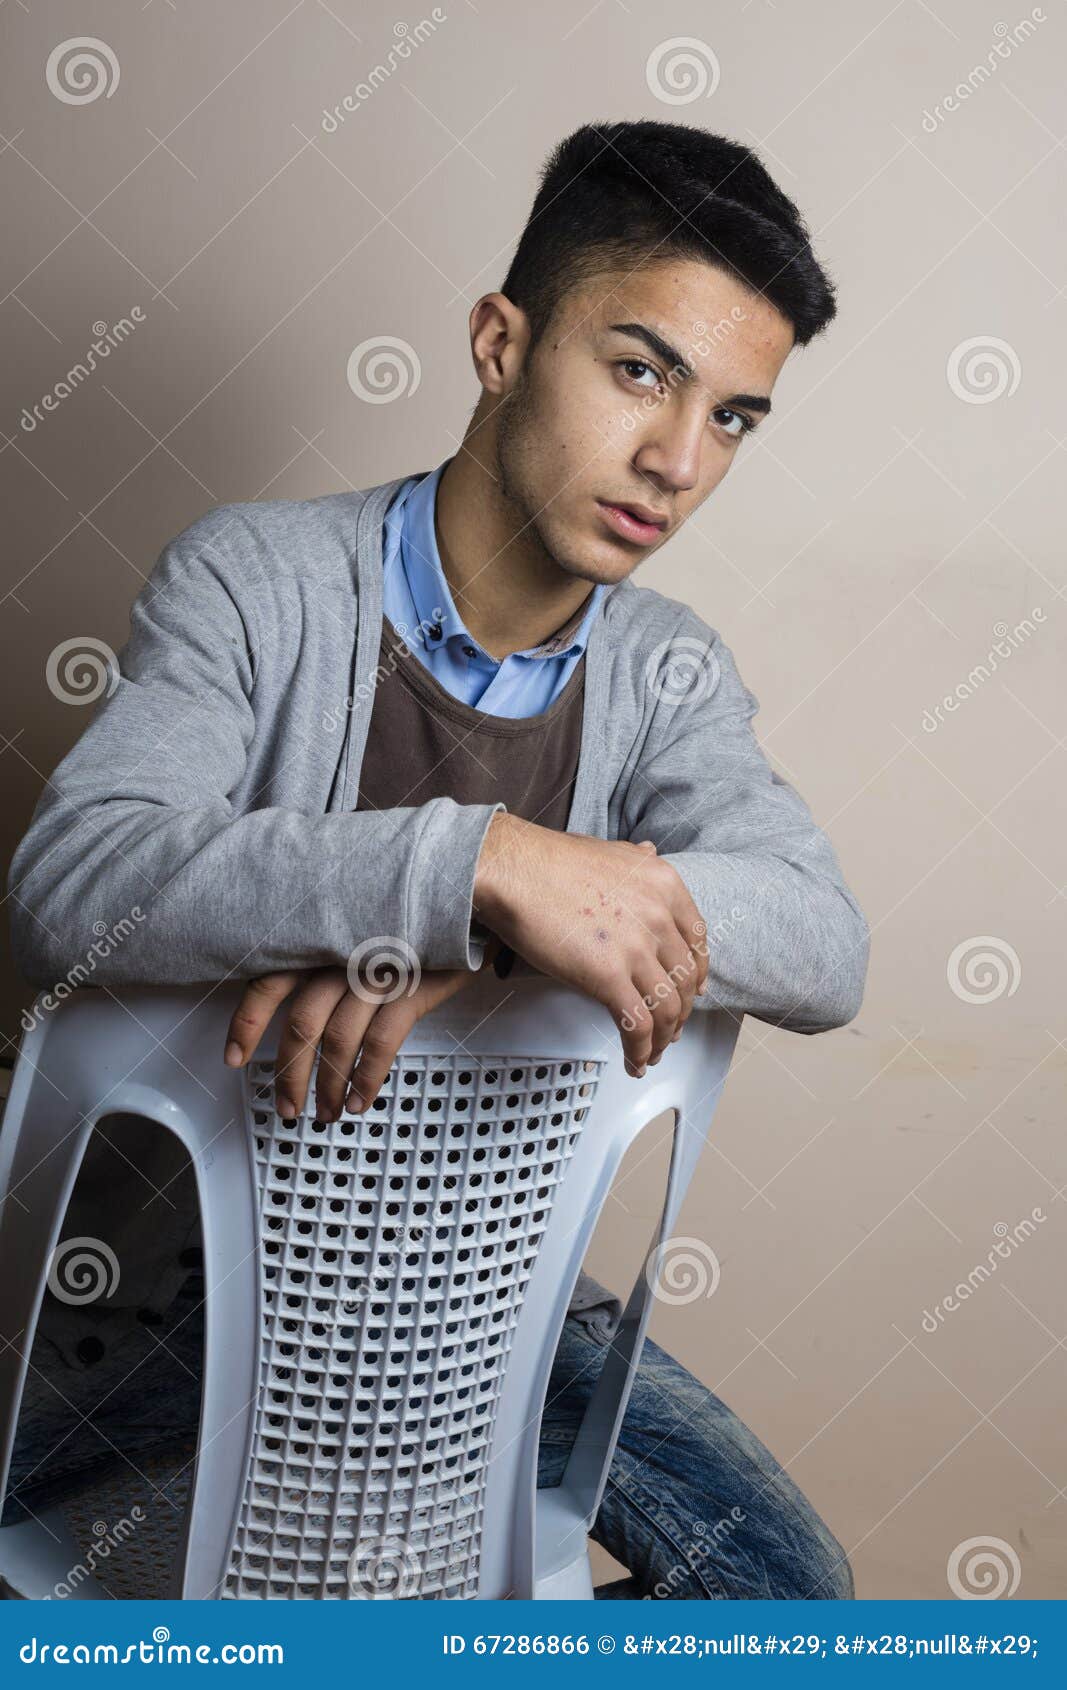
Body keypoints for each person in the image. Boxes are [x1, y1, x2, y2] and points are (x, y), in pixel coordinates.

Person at [4, 120, 868, 1599]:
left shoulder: (667, 671)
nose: (677, 460)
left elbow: (825, 944)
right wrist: (482, 867)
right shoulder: (257, 577)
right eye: (640, 370)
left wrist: (500, 940)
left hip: (487, 1307)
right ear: (499, 343)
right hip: (179, 1304)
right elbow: (73, 878)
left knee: (787, 1595)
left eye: (733, 417)